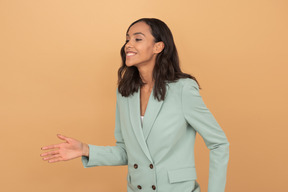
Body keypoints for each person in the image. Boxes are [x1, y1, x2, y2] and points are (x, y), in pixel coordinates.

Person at [40, 18, 230, 192]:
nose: (128, 45)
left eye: (137, 39)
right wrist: (85, 149)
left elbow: (219, 144)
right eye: (127, 39)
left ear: (158, 47)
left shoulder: (183, 89)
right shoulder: (125, 92)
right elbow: (125, 152)